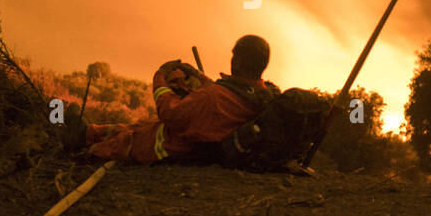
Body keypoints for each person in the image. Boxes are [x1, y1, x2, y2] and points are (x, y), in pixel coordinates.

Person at [66, 35, 278, 164]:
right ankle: (89, 132)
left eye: (234, 56)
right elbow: (228, 93)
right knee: (139, 125)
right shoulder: (263, 95)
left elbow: (170, 113)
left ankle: (83, 149)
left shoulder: (213, 98)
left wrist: (160, 77)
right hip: (206, 143)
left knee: (136, 135)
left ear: (238, 61)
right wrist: (198, 77)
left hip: (175, 147)